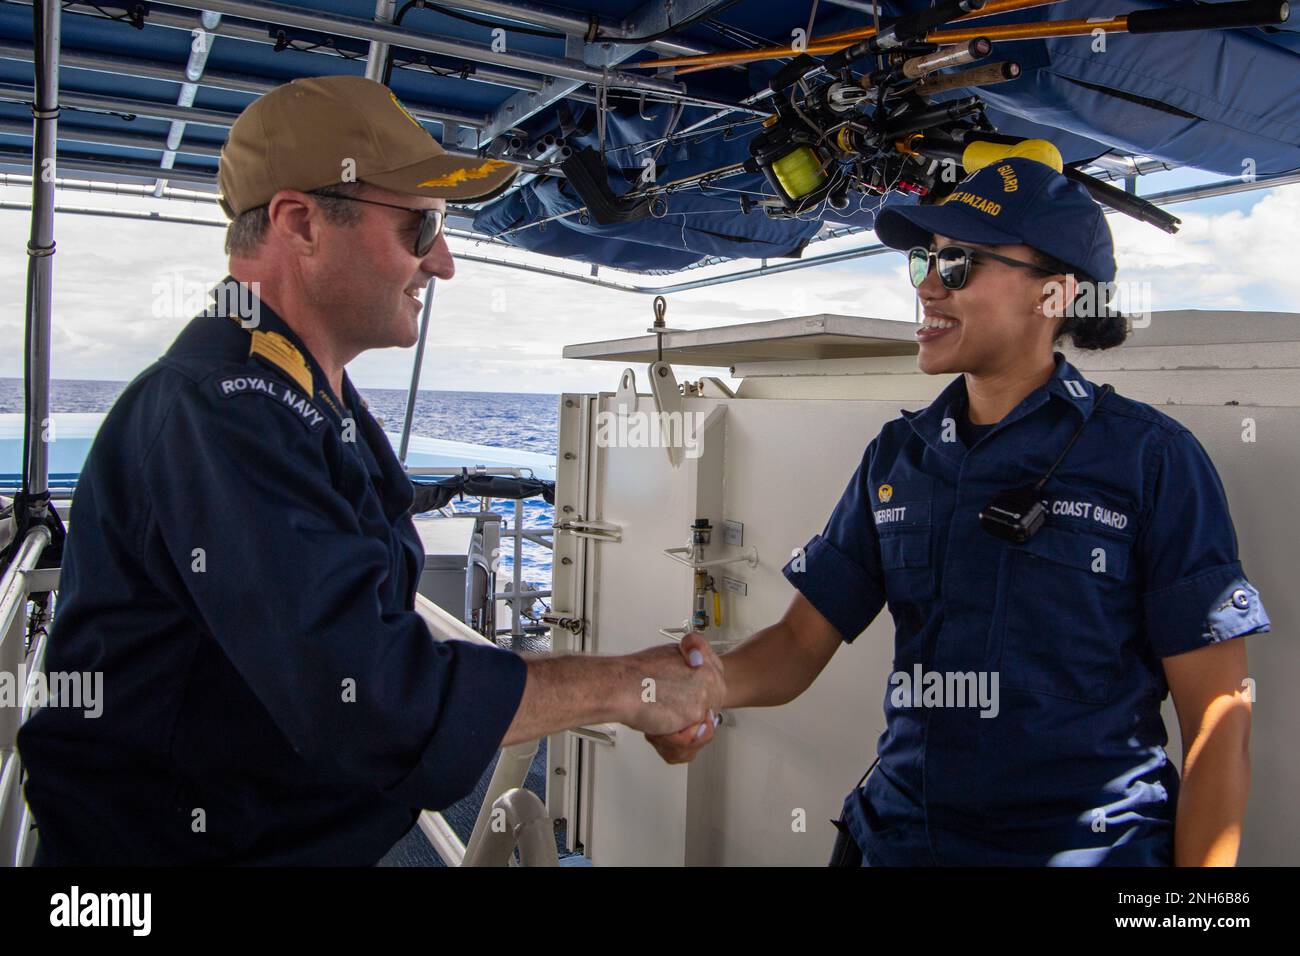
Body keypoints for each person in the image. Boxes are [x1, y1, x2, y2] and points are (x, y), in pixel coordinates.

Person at [17, 75, 724, 866]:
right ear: (300, 222)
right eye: (421, 227)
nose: (444, 262)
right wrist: (632, 687)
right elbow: (372, 697)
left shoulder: (295, 395)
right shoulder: (223, 409)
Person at [646, 155, 1270, 866]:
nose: (930, 288)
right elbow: (796, 649)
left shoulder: (1152, 461)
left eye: (961, 264)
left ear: (1055, 295)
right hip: (899, 841)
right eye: (924, 262)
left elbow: (1220, 716)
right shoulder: (898, 458)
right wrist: (699, 687)